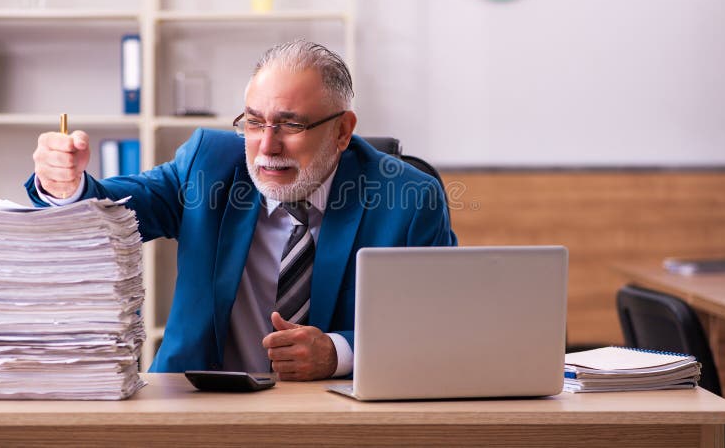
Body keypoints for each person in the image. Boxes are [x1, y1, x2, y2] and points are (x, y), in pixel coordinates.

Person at [27, 40, 457, 380]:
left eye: (290, 124)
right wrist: (64, 185)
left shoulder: (410, 198)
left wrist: (339, 352)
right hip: (198, 412)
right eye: (254, 122)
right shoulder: (208, 165)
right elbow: (111, 209)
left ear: (342, 131)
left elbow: (440, 327)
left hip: (334, 418)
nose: (267, 146)